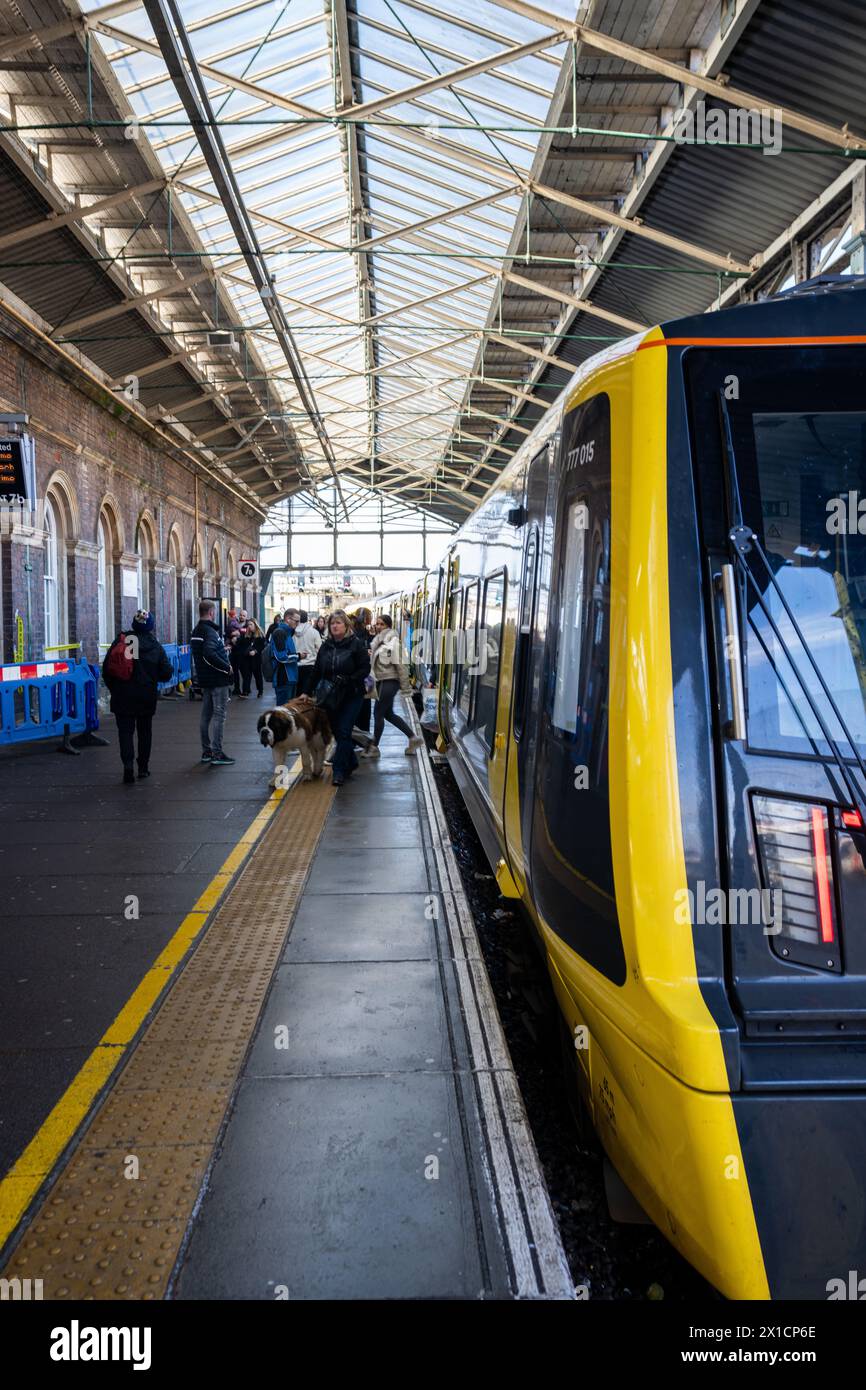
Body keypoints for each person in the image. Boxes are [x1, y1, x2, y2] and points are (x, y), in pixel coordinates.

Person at [101, 610, 173, 783]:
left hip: (123, 695)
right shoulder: (154, 645)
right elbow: (166, 673)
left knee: (125, 732)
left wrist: (115, 688)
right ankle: (143, 768)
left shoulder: (123, 641)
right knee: (144, 732)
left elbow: (107, 670)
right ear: (150, 626)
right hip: (146, 696)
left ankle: (127, 766)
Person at [312, 609, 370, 787]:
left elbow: (364, 669)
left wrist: (349, 679)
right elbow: (316, 670)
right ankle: (351, 762)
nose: (335, 626)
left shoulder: (356, 644)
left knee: (344, 730)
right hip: (330, 695)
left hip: (352, 694)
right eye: (332, 623)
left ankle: (338, 771)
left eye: (338, 623)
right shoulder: (326, 646)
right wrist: (306, 691)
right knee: (338, 732)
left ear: (346, 626)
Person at [366, 614, 423, 757]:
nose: (378, 626)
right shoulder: (379, 641)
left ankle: (374, 747)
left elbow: (401, 666)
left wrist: (406, 689)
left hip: (389, 682)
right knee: (388, 714)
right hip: (381, 681)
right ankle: (413, 738)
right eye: (377, 624)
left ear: (389, 626)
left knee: (378, 713)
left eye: (382, 624)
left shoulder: (393, 642)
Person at [191, 598, 235, 766]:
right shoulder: (210, 632)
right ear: (211, 613)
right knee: (219, 715)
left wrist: (219, 650)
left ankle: (206, 752)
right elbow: (208, 653)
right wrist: (226, 667)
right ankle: (217, 753)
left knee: (205, 716)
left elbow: (204, 653)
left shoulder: (196, 631)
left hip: (205, 678)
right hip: (217, 679)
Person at [268, 613, 299, 703]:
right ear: (288, 619)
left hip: (289, 678)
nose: (298, 624)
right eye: (296, 621)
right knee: (283, 712)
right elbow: (281, 657)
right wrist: (299, 656)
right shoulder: (280, 633)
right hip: (284, 678)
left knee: (287, 711)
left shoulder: (287, 633)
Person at [293, 608, 322, 697]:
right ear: (307, 618)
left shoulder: (292, 633)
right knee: (307, 695)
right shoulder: (314, 632)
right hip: (311, 666)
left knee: (297, 694)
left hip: (296, 666)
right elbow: (320, 649)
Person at [236, 618, 265, 698]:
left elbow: (262, 646)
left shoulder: (260, 635)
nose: (249, 626)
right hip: (246, 659)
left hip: (256, 659)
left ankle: (260, 691)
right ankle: (245, 692)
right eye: (248, 625)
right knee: (246, 676)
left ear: (255, 625)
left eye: (251, 624)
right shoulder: (245, 634)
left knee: (258, 676)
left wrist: (255, 651)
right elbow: (240, 644)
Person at [225, 608, 242, 695]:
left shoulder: (232, 623)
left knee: (234, 670)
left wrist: (230, 642)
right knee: (236, 670)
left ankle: (237, 688)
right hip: (235, 649)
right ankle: (237, 688)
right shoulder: (237, 623)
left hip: (235, 650)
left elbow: (233, 634)